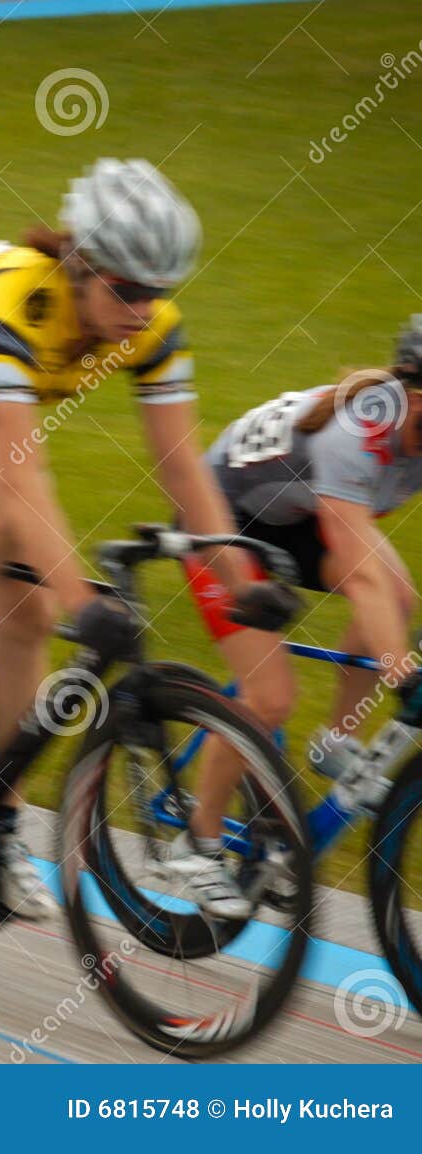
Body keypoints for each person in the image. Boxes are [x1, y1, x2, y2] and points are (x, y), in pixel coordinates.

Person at [0, 157, 289, 919]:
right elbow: (20, 476)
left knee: (29, 620)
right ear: (81, 265)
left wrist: (242, 584)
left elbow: (183, 467)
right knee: (5, 497)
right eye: (127, 290)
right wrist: (86, 601)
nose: (143, 310)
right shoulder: (15, 299)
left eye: (159, 292)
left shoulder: (150, 329)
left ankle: (1, 819)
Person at [178, 321, 422, 913]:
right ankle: (198, 844)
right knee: (269, 698)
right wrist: (402, 675)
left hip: (296, 516)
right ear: (414, 396)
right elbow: (359, 574)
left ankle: (336, 740)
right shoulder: (356, 434)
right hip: (221, 520)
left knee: (398, 600)